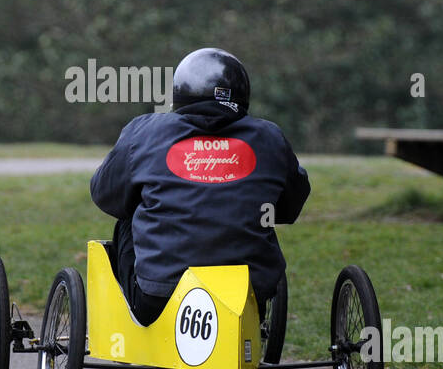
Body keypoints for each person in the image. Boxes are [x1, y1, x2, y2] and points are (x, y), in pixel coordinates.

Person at [90, 48, 311, 326]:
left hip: (158, 298)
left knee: (128, 216)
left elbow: (105, 195)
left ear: (180, 93)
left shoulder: (143, 132)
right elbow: (289, 209)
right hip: (246, 298)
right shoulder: (270, 137)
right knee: (263, 218)